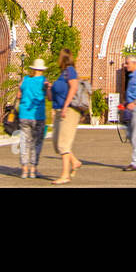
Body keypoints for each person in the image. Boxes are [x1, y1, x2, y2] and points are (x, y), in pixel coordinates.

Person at [49, 49, 84, 184]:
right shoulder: (61, 74)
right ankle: (74, 162)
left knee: (63, 144)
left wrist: (65, 106)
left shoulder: (70, 71)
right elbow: (52, 97)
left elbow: (74, 87)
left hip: (68, 111)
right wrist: (48, 87)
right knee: (57, 144)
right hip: (59, 110)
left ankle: (65, 175)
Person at [17, 58, 47, 179]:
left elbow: (18, 95)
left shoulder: (25, 80)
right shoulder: (44, 81)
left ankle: (24, 170)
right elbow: (49, 96)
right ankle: (33, 170)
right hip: (38, 116)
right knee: (36, 143)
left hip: (24, 115)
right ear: (42, 70)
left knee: (24, 142)